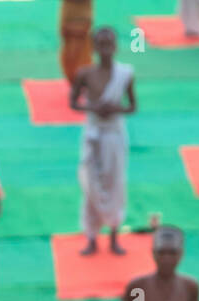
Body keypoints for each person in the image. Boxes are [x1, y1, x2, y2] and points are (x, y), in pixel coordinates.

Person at [71, 26, 136, 256]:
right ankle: (91, 238)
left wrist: (115, 108)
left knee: (115, 183)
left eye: (109, 44)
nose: (106, 48)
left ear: (116, 46)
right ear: (94, 47)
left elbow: (132, 106)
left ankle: (114, 237)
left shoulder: (125, 74)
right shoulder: (85, 73)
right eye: (101, 44)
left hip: (114, 136)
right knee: (91, 185)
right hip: (93, 134)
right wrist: (94, 107)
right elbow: (74, 103)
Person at [59, 0, 92, 84]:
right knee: (70, 52)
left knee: (82, 51)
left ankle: (81, 80)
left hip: (82, 18)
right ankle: (73, 80)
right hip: (69, 17)